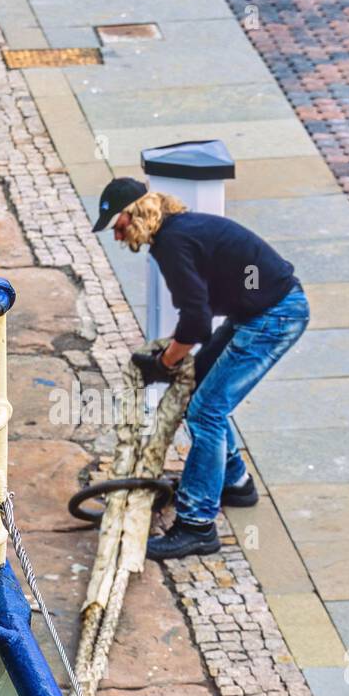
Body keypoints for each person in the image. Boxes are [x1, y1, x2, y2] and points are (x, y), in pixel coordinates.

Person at [93, 177, 309, 561]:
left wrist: (165, 362)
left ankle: (196, 525)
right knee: (202, 392)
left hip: (272, 318)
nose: (118, 235)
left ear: (133, 214)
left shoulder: (172, 243)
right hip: (258, 311)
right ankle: (235, 482)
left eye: (118, 226)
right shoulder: (178, 232)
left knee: (207, 412)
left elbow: (196, 321)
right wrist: (170, 362)